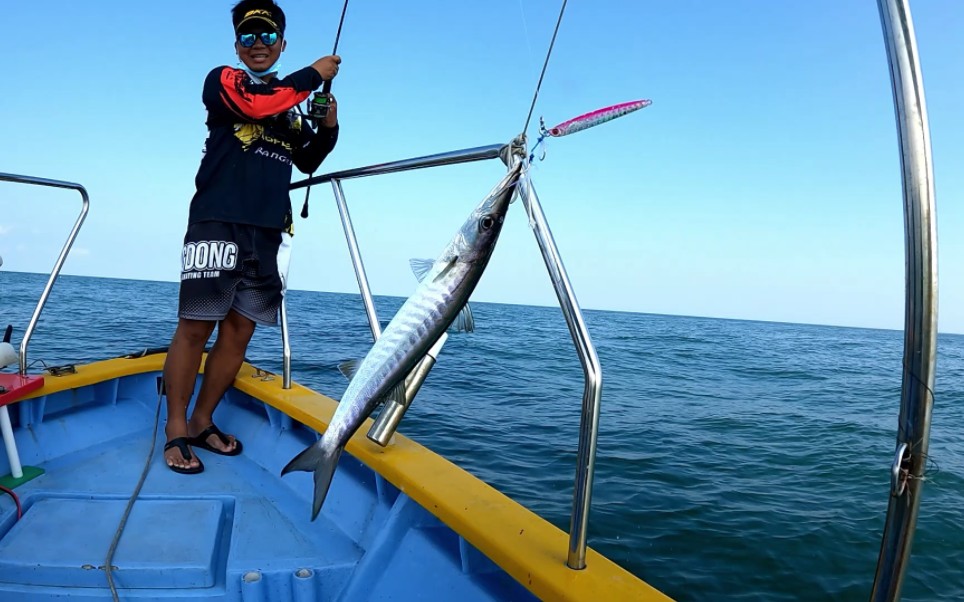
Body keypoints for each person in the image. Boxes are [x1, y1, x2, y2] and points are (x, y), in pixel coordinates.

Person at [163, 0, 341, 473]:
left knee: (239, 331)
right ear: (237, 48)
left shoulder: (291, 103)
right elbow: (253, 104)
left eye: (267, 36)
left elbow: (308, 159)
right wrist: (310, 75)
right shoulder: (224, 80)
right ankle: (175, 428)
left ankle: (203, 419)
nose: (258, 44)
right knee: (196, 326)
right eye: (249, 37)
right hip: (218, 219)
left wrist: (327, 123)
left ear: (281, 43)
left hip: (267, 229)